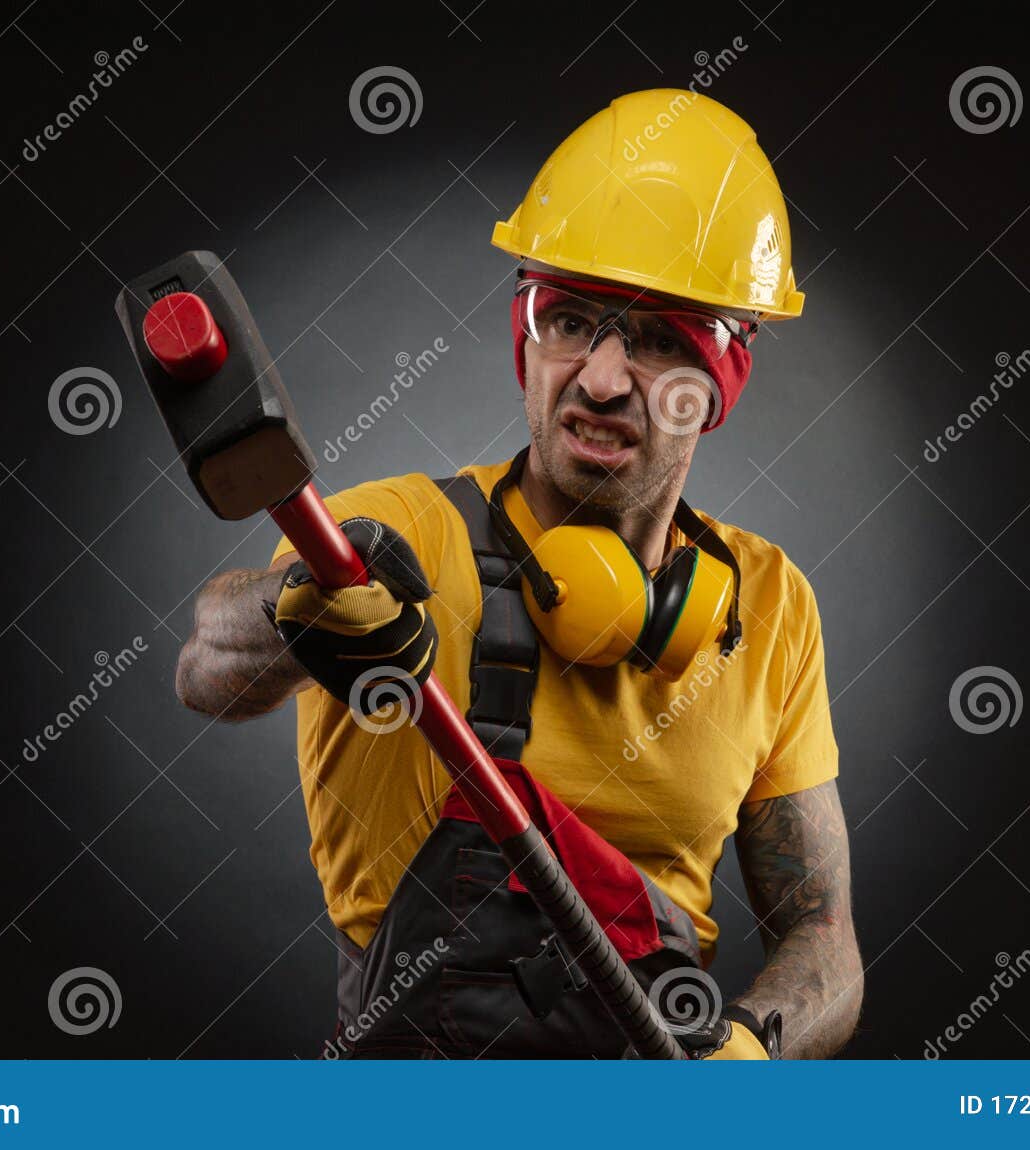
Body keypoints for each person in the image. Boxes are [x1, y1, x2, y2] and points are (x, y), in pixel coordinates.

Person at [175, 89, 862, 1059]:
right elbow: (208, 659)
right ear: (523, 336)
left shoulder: (768, 605)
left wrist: (748, 1055)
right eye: (570, 319)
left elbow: (824, 942)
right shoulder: (398, 531)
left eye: (661, 339)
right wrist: (301, 614)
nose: (601, 378)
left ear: (721, 383)